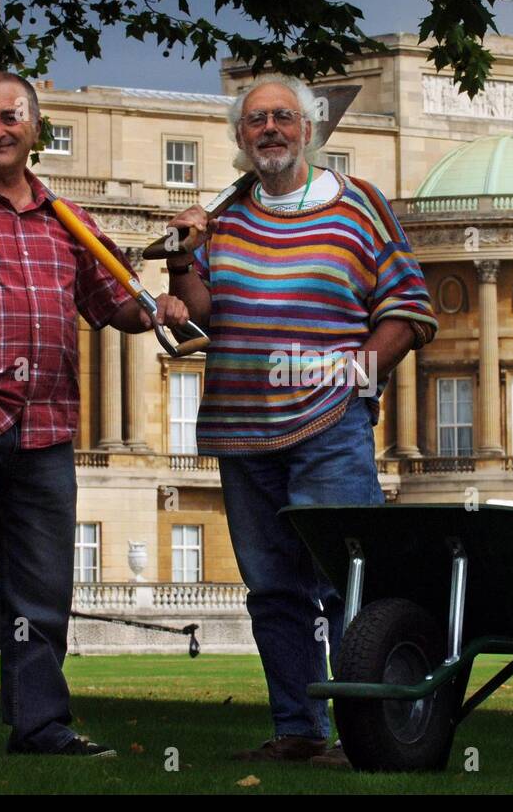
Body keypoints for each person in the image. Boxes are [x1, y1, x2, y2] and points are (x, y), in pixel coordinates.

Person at [0, 71, 189, 757]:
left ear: (34, 128)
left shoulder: (69, 219)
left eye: (9, 117)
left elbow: (115, 305)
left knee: (42, 588)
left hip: (46, 426)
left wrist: (157, 309)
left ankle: (40, 726)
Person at [164, 76, 437, 766]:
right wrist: (181, 255)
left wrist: (354, 380)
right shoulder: (222, 218)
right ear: (240, 137)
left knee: (350, 583)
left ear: (308, 131)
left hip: (330, 427)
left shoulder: (360, 205)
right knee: (273, 590)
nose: (270, 129)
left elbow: (408, 308)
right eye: (256, 119)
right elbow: (199, 316)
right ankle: (298, 729)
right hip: (240, 428)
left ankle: (367, 734)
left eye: (283, 116)